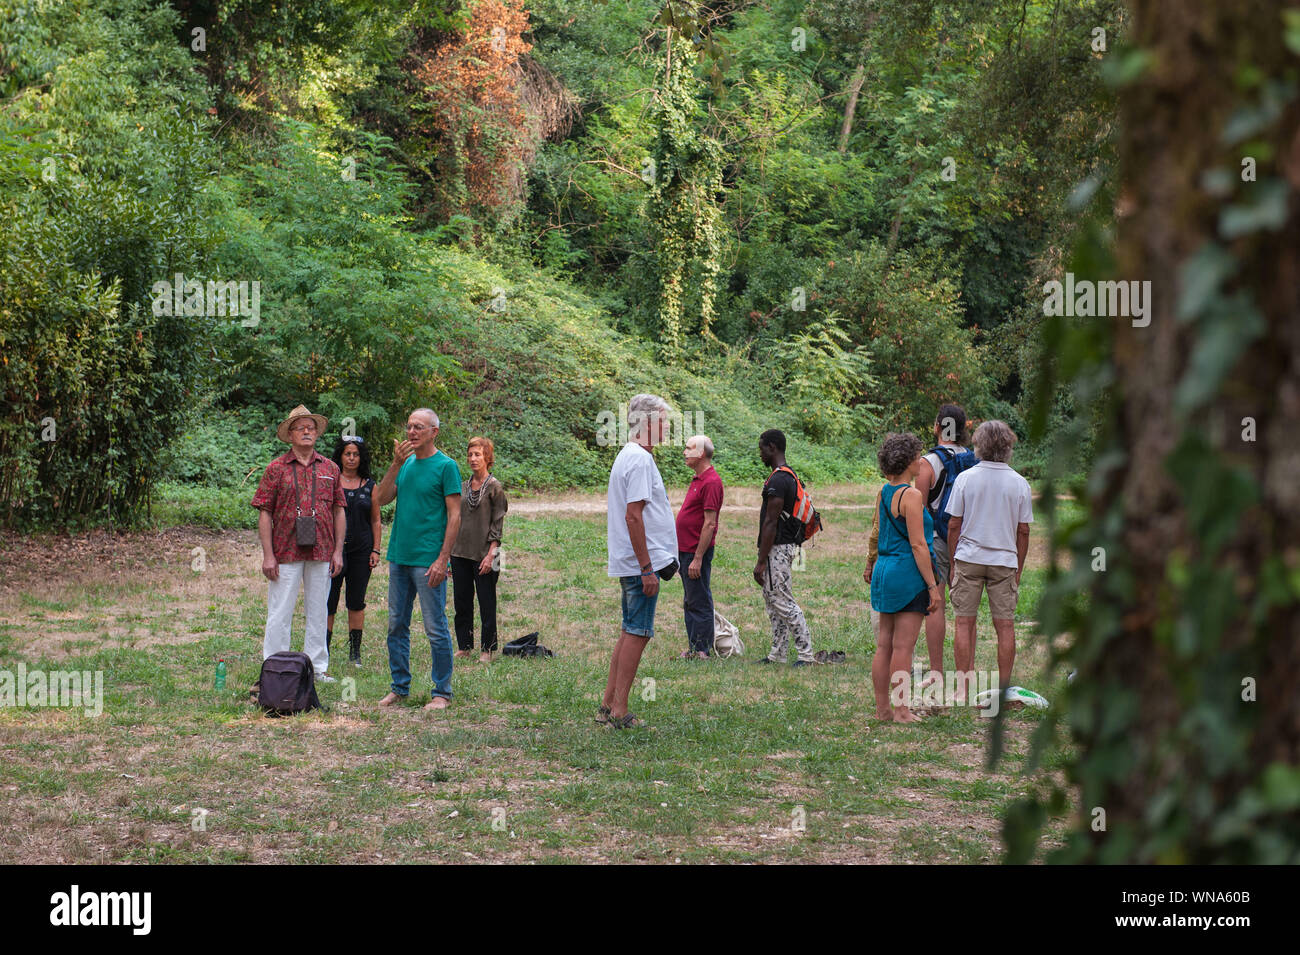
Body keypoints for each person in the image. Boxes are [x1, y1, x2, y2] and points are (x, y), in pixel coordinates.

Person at [374, 409, 462, 711]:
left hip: (428, 560)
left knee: (435, 627)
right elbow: (381, 498)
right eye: (409, 427)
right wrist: (396, 464)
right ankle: (399, 688)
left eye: (419, 427)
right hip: (400, 555)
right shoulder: (406, 464)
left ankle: (442, 692)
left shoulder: (446, 466)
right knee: (396, 624)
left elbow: (455, 516)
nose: (412, 432)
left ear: (434, 432)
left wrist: (443, 559)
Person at [250, 405, 346, 683]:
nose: (306, 431)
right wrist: (268, 555)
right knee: (280, 611)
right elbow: (265, 512)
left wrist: (338, 551)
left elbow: (340, 510)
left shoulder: (330, 468)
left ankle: (317, 668)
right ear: (290, 434)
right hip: (285, 551)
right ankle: (274, 667)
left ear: (316, 433)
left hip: (322, 550)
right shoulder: (275, 468)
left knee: (319, 610)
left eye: (311, 427)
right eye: (300, 427)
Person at [599, 394, 678, 729]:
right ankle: (619, 710)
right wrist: (647, 567)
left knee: (630, 631)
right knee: (637, 633)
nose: (667, 427)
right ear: (647, 422)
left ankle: (607, 704)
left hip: (634, 560)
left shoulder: (631, 455)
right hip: (639, 563)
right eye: (663, 420)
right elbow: (634, 517)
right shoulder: (640, 460)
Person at [945, 420, 1033, 703]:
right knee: (1005, 626)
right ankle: (1005, 688)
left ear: (978, 446)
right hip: (1004, 560)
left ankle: (962, 689)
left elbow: (953, 526)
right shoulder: (1019, 483)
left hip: (969, 558)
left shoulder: (966, 478)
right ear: (1008, 447)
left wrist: (953, 562)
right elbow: (1023, 530)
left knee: (963, 623)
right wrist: (1018, 567)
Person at [865, 433, 941, 722]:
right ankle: (902, 711)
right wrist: (933, 587)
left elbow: (877, 531)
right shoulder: (911, 495)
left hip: (884, 570)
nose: (921, 459)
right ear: (908, 461)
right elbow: (919, 545)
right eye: (918, 455)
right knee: (903, 647)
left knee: (884, 644)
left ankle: (883, 709)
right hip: (906, 574)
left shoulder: (884, 492)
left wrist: (870, 562)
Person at [912, 404, 975, 686]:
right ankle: (966, 673)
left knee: (935, 605)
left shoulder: (927, 463)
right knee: (965, 610)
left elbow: (919, 507)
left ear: (937, 427)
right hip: (966, 541)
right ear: (963, 430)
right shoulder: (974, 459)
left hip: (938, 540)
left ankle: (937, 672)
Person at [754, 429, 815, 667]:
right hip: (782, 547)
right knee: (773, 599)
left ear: (772, 447)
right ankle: (777, 653)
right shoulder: (788, 476)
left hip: (777, 548)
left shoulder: (779, 480)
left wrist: (761, 561)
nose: (760, 454)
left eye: (762, 449)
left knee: (782, 600)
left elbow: (771, 521)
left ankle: (806, 655)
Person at [451, 437, 508, 663]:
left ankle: (487, 648)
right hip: (460, 552)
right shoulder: (463, 486)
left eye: (478, 454)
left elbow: (498, 521)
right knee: (461, 602)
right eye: (470, 455)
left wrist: (491, 553)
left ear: (487, 458)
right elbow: (454, 519)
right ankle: (464, 645)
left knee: (487, 601)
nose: (473, 459)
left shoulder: (495, 487)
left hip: (487, 554)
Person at [327, 436, 382, 666]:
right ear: (340, 456)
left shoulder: (370, 485)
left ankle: (355, 654)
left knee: (356, 601)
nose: (351, 458)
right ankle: (324, 651)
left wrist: (376, 550)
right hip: (333, 551)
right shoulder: (330, 481)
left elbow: (376, 520)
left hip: (362, 550)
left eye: (356, 454)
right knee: (329, 600)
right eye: (347, 454)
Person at [675, 434, 723, 659]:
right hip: (685, 551)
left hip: (696, 552)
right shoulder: (698, 479)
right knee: (691, 599)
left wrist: (697, 557)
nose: (684, 452)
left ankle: (702, 650)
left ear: (701, 453)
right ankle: (695, 647)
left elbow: (710, 523)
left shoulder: (711, 482)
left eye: (688, 448)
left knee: (699, 599)